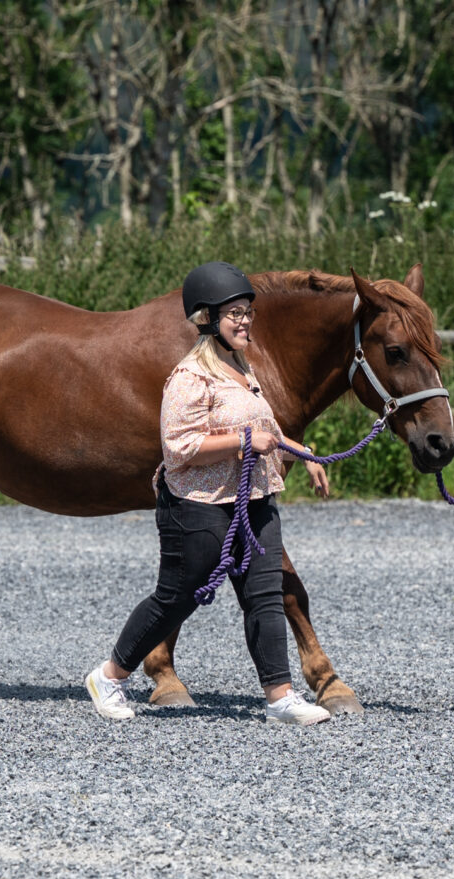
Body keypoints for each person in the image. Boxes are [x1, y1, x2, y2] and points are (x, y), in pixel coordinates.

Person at [82, 261, 331, 725]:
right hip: (197, 506)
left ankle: (280, 696)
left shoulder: (243, 368)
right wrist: (242, 441)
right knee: (176, 597)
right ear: (207, 319)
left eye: (248, 312)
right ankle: (109, 676)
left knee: (264, 594)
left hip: (253, 499)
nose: (245, 320)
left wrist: (304, 453)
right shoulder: (190, 377)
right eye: (234, 313)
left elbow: (265, 426)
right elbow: (179, 447)